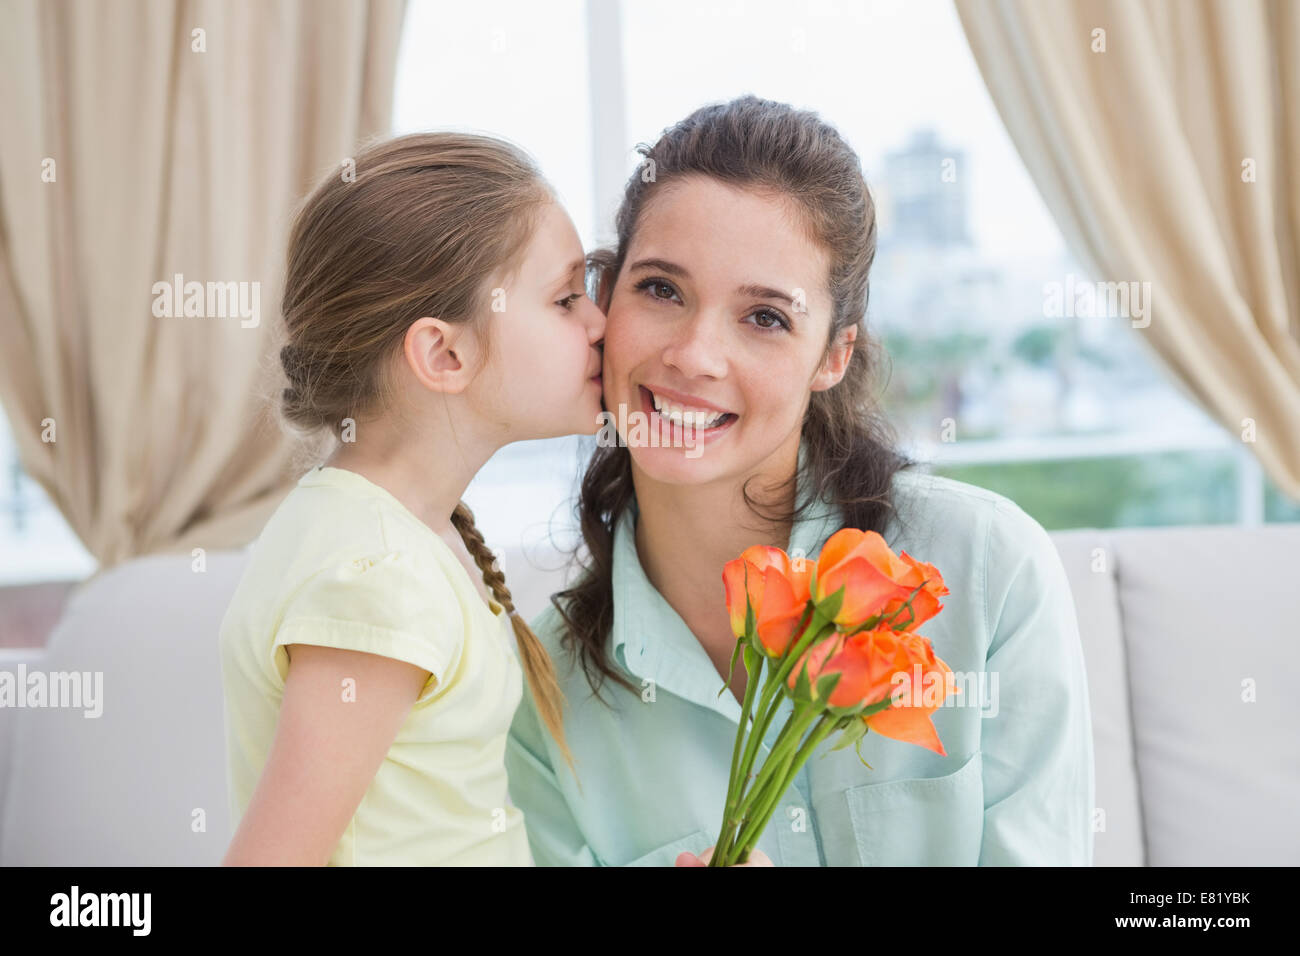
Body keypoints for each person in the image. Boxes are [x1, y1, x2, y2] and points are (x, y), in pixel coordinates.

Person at [506, 95, 1095, 866]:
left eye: (765, 318)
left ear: (833, 356)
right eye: (661, 289)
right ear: (604, 301)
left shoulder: (989, 570)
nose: (695, 355)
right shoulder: (540, 700)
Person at [219, 132, 604, 865]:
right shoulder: (378, 577)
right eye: (565, 299)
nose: (600, 324)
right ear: (442, 354)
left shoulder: (383, 533)